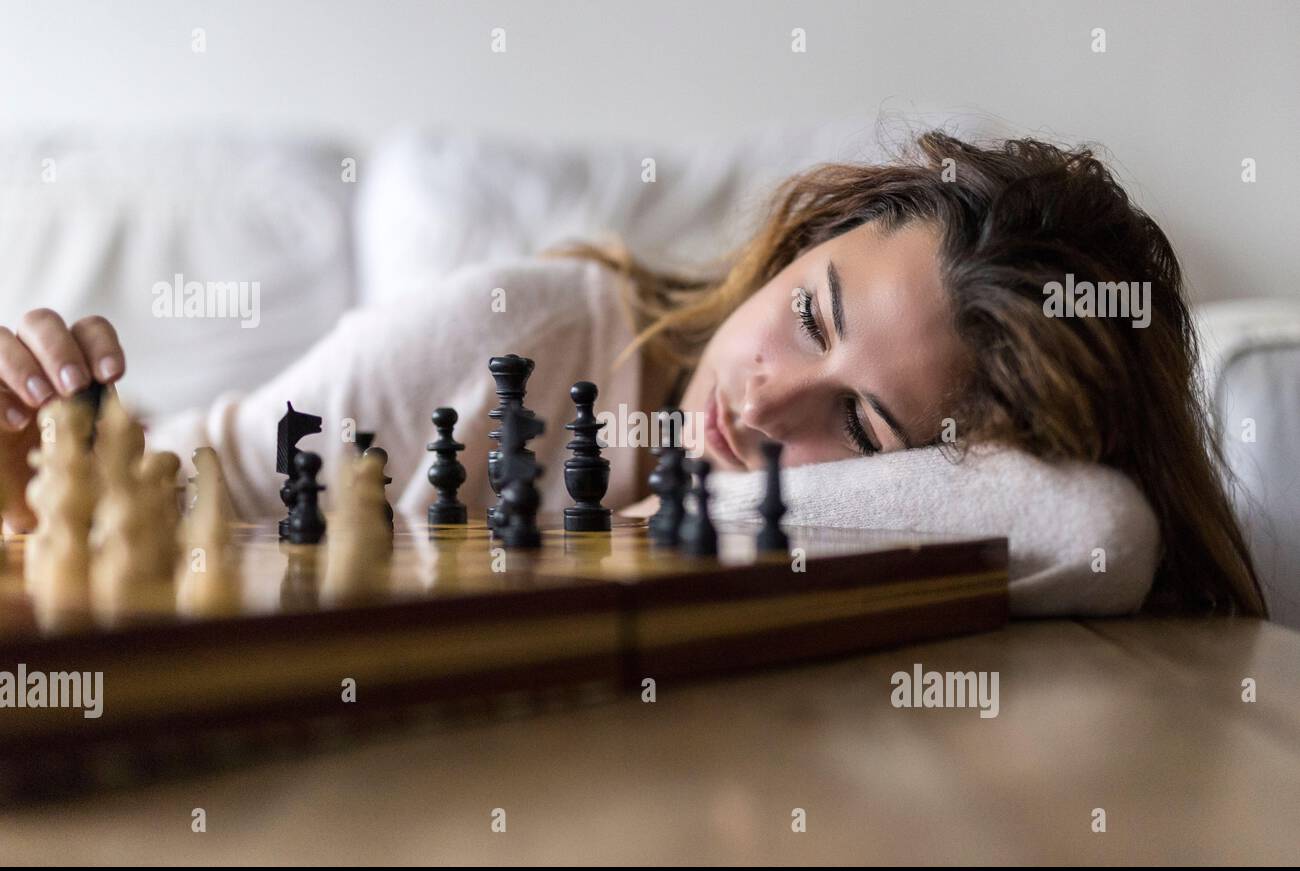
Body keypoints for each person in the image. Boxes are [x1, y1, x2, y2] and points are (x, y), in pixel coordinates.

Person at [0, 131, 1266, 617]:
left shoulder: (951, 523)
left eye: (866, 431)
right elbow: (193, 484)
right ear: (799, 242)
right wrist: (33, 453)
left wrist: (683, 523)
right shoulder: (522, 340)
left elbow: (1095, 522)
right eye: (809, 316)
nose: (762, 402)